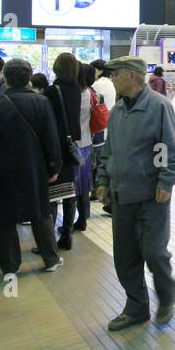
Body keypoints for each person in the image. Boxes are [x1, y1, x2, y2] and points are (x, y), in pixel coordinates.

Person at [94, 56, 175, 332]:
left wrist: (165, 181)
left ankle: (166, 295)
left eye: (116, 75)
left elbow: (168, 147)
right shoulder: (119, 110)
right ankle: (136, 307)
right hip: (122, 196)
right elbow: (110, 150)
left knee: (154, 252)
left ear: (132, 76)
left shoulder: (158, 107)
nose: (113, 80)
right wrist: (103, 179)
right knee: (125, 256)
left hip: (151, 196)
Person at [0, 58, 63, 275]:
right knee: (40, 212)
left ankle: (9, 265)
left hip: (2, 169)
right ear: (28, 78)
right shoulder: (41, 102)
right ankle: (51, 258)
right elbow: (51, 137)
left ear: (6, 78)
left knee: (6, 217)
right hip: (34, 166)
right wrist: (54, 166)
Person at [44, 53, 83, 251]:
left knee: (52, 193)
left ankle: (49, 243)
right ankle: (67, 234)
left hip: (55, 145)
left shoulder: (52, 91)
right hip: (71, 144)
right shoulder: (76, 89)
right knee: (70, 192)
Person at [91, 61, 116, 219]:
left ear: (99, 70)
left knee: (102, 163)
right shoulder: (109, 84)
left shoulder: (98, 85)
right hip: (106, 128)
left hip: (100, 131)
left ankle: (106, 197)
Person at [73, 63, 96, 231]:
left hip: (72, 145)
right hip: (87, 143)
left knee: (71, 186)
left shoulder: (72, 92)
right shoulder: (90, 93)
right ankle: (83, 218)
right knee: (84, 186)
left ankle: (71, 223)